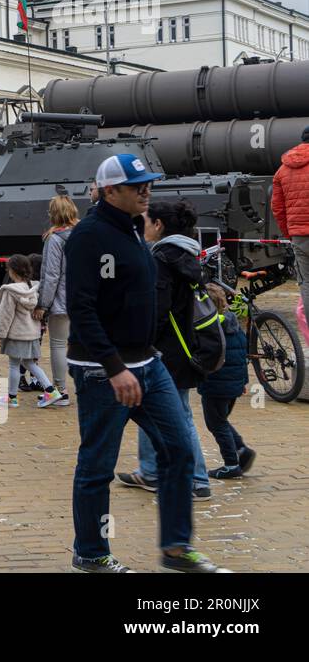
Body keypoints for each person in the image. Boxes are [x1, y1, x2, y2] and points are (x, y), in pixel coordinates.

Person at [65, 154, 224, 573]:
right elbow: (81, 309)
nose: (146, 190)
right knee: (97, 465)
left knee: (178, 451)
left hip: (149, 364)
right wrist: (114, 367)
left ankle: (175, 548)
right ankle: (91, 553)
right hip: (103, 371)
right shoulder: (88, 236)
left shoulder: (136, 228)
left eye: (148, 183)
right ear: (110, 191)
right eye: (137, 185)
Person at [117, 200, 213, 499]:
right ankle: (156, 471)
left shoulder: (162, 259)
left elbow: (157, 309)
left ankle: (191, 478)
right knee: (166, 409)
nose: (141, 225)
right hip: (186, 346)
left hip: (166, 351)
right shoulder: (187, 253)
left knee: (169, 411)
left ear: (158, 225)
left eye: (145, 220)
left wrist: (139, 340)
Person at [198, 283, 255, 480]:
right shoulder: (234, 324)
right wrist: (243, 382)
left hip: (215, 386)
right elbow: (242, 355)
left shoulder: (210, 328)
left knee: (215, 423)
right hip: (234, 385)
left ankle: (231, 464)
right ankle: (241, 450)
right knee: (221, 421)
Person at [0, 254, 60, 408]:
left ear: (12, 271)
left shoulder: (10, 291)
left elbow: (5, 316)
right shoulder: (34, 288)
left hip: (16, 334)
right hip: (31, 334)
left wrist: (0, 334)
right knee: (30, 363)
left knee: (14, 365)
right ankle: (51, 391)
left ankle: (11, 398)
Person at [34, 195, 78, 406]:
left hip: (61, 301)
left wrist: (43, 304)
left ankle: (60, 391)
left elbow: (51, 275)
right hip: (83, 300)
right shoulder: (84, 235)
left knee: (59, 345)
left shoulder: (54, 239)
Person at [271, 125, 309, 321]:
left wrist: (291, 233)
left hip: (300, 237)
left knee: (307, 284)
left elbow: (277, 208)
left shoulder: (282, 170)